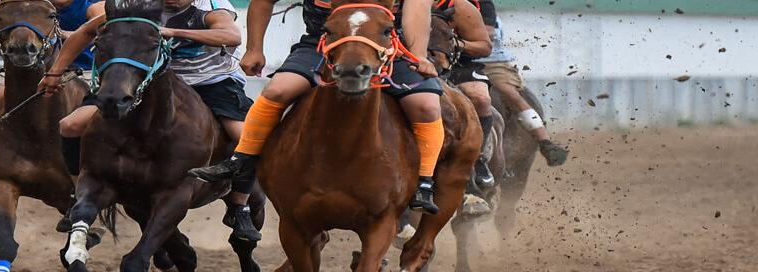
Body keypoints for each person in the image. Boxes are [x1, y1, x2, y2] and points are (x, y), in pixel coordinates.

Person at [189, 0, 447, 215]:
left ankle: (424, 182)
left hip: (384, 47)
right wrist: (255, 48)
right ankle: (240, 161)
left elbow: (416, 11)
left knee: (426, 105)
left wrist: (418, 55)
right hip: (323, 43)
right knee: (278, 90)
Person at [40, 0, 262, 241]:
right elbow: (85, 32)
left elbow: (231, 35)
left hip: (212, 81)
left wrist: (173, 32)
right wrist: (54, 72)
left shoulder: (212, 5)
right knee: (70, 125)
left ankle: (240, 207)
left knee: (246, 138)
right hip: (153, 83)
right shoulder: (140, 7)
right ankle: (78, 196)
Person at [0, 0, 100, 203]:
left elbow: (105, 30)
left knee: (102, 108)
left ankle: (102, 172)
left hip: (83, 71)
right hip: (23, 71)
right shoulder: (21, 5)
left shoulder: (94, 6)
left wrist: (68, 35)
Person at [475, 0, 568, 166]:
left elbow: (489, 33)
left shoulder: (484, 4)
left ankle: (545, 142)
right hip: (450, 59)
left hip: (490, 61)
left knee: (509, 93)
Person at [432, 0, 495, 188]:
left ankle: (478, 159)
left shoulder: (459, 5)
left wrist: (456, 43)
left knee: (480, 98)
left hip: (460, 65)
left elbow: (485, 46)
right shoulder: (398, 4)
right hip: (410, 62)